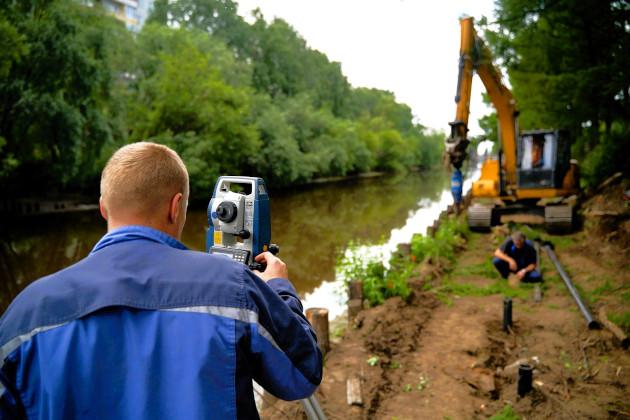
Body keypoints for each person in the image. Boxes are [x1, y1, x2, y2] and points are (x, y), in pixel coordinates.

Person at [0, 142, 322, 419]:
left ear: (103, 208)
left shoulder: (26, 312)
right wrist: (278, 289)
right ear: (176, 206)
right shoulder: (233, 287)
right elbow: (302, 373)